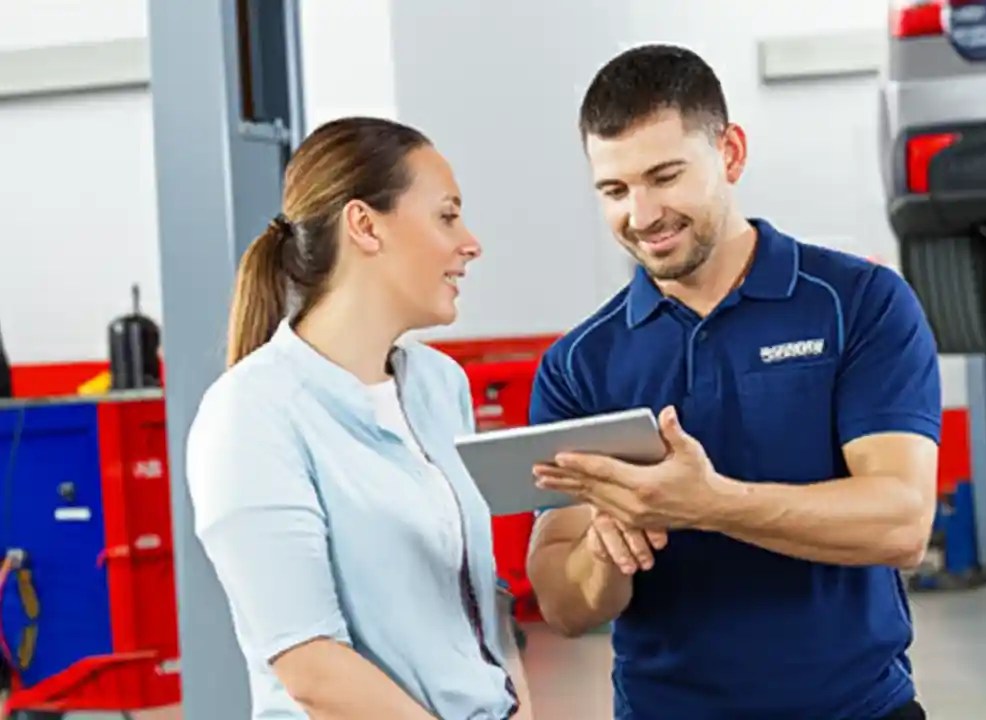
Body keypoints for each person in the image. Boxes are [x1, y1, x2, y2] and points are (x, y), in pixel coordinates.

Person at [525, 44, 940, 720]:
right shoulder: (580, 364)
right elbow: (564, 606)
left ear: (731, 154)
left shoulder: (858, 303)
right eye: (615, 190)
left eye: (665, 176)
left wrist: (707, 503)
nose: (643, 213)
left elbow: (901, 523)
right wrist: (608, 550)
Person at [185, 117, 533, 720]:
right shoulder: (250, 414)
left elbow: (481, 603)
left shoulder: (440, 386)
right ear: (365, 226)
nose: (470, 242)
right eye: (447, 216)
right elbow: (312, 667)